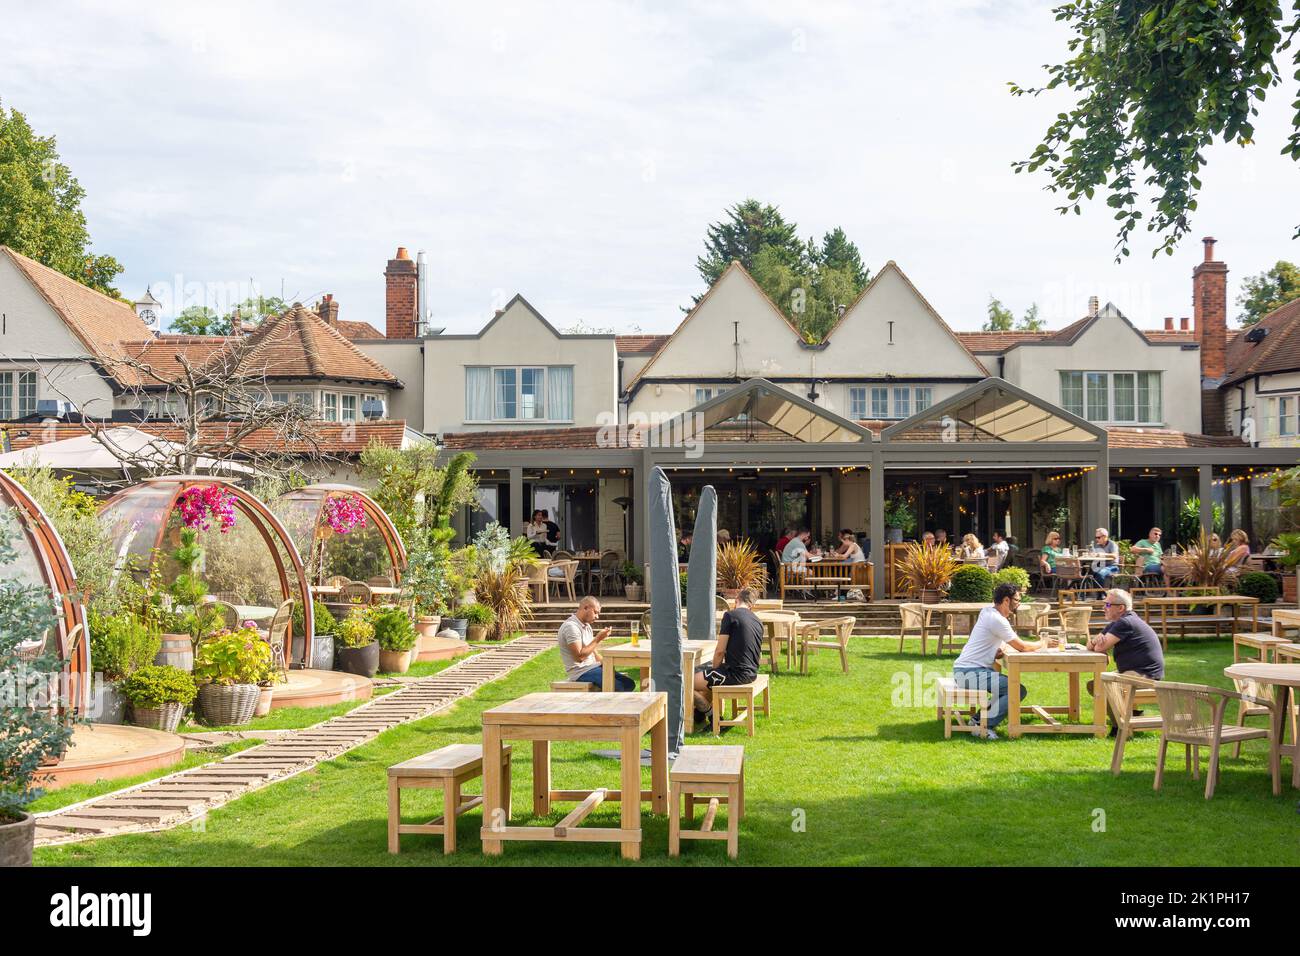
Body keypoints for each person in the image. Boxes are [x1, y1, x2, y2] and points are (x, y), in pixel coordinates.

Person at [951, 582, 1042, 739]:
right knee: (1016, 689)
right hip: (970, 673)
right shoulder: (997, 619)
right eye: (1017, 600)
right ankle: (984, 726)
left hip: (965, 670)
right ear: (1006, 600)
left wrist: (993, 653)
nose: (1019, 603)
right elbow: (1023, 647)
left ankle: (979, 719)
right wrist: (1043, 643)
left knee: (1007, 687)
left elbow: (986, 641)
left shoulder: (987, 612)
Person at [693, 588, 765, 727]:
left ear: (736, 600)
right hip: (751, 673)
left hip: (735, 674)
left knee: (682, 683)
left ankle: (711, 714)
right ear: (752, 605)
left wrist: (714, 669)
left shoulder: (730, 616)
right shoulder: (757, 621)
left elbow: (720, 651)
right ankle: (699, 714)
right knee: (708, 679)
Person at [556, 596, 634, 691]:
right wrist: (598, 639)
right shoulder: (571, 627)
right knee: (618, 687)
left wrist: (606, 663)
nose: (597, 617)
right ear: (585, 608)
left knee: (629, 683)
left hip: (593, 667)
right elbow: (579, 657)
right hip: (581, 672)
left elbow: (593, 652)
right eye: (595, 612)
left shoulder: (587, 626)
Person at [1086, 589, 1164, 681]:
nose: (1104, 608)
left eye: (1107, 604)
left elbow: (1099, 648)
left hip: (1144, 675)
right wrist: (1094, 641)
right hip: (1138, 672)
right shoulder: (1120, 621)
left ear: (1121, 608)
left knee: (1100, 684)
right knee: (1098, 682)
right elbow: (1089, 646)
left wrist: (1095, 643)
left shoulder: (1125, 622)